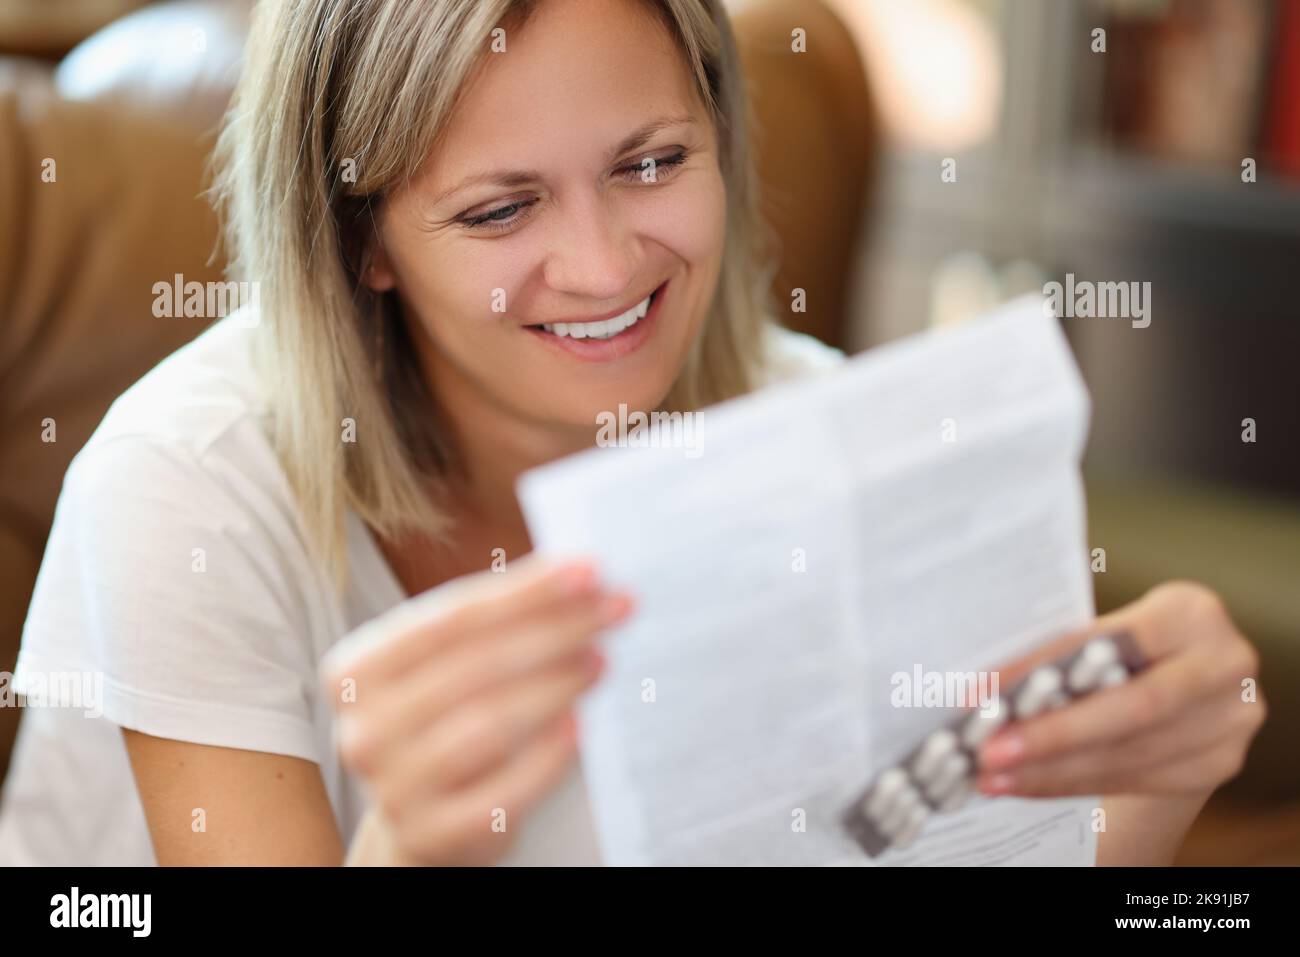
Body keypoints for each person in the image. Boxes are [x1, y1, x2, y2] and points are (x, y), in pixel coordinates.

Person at [0, 0, 1264, 866]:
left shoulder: (807, 430)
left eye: (653, 163)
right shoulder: (188, 488)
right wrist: (412, 850)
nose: (604, 267)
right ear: (364, 242)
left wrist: (1152, 781)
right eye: (500, 210)